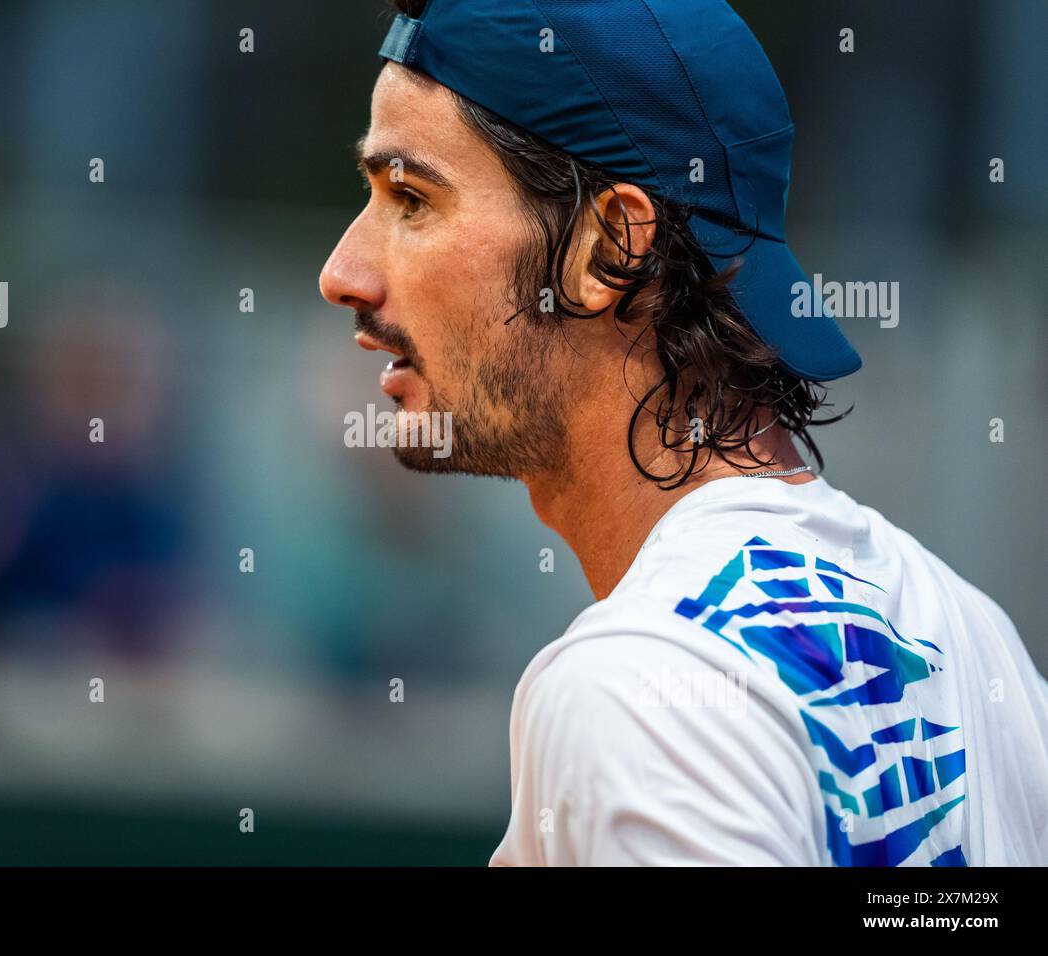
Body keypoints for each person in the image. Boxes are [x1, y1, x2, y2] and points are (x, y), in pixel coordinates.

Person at [318, 0, 1048, 865]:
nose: (343, 274)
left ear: (610, 248)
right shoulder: (970, 635)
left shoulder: (641, 690)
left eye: (411, 197)